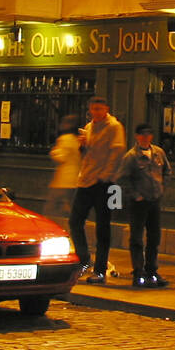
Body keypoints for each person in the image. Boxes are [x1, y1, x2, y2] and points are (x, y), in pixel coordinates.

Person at [69, 97, 126, 284]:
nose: (96, 113)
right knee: (75, 221)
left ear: (106, 109)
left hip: (105, 183)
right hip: (85, 179)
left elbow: (117, 153)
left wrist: (106, 175)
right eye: (93, 109)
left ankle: (100, 270)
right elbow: (85, 154)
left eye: (99, 109)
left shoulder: (114, 127)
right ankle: (84, 260)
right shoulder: (89, 127)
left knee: (103, 226)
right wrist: (82, 145)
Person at [117, 123, 172, 288]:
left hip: (154, 200)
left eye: (148, 134)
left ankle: (151, 270)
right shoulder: (131, 156)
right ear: (137, 136)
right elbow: (122, 179)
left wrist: (162, 188)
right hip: (139, 203)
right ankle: (138, 271)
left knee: (154, 237)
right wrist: (135, 195)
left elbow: (167, 171)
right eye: (142, 134)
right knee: (137, 238)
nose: (146, 137)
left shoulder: (158, 153)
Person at [46, 115, 81, 224]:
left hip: (63, 179)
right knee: (70, 204)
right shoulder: (78, 139)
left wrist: (53, 152)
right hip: (75, 178)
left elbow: (61, 157)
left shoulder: (65, 139)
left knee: (51, 207)